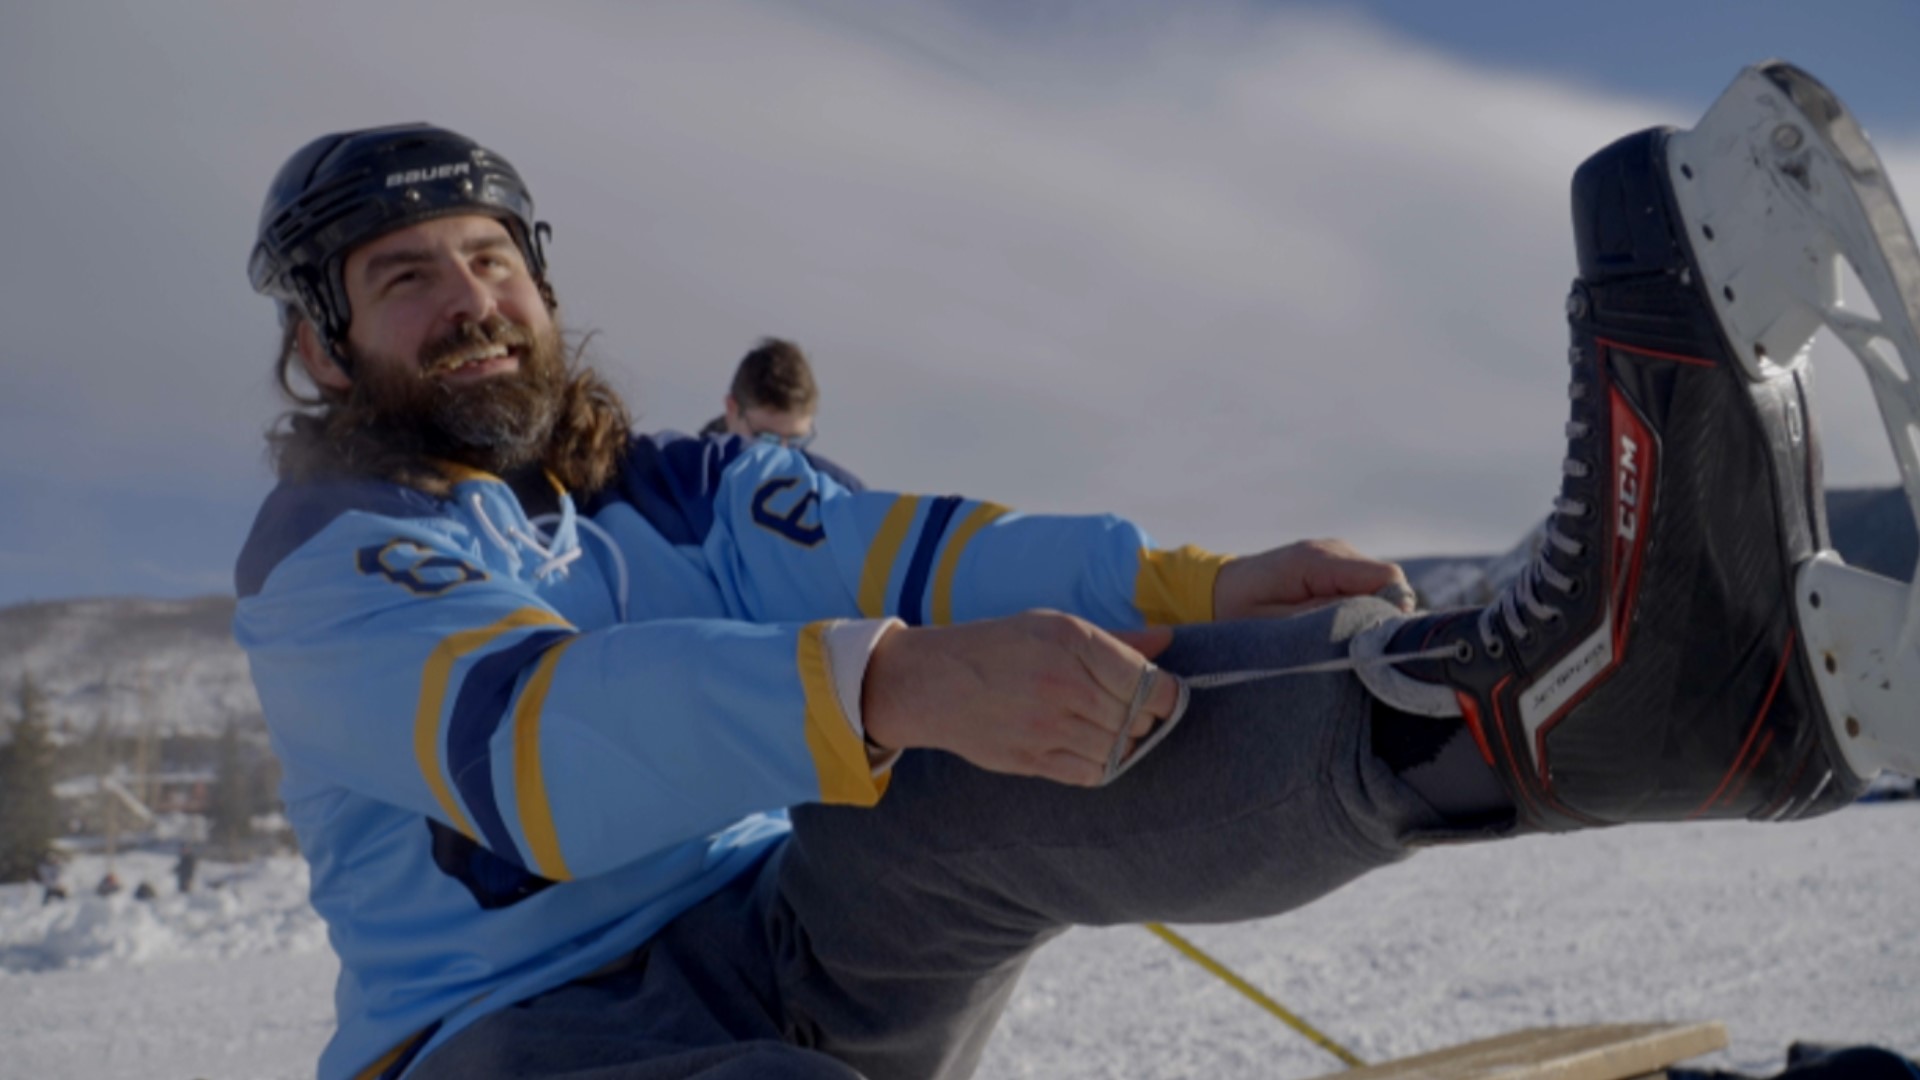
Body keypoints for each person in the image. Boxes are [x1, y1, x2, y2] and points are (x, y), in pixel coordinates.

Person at [234, 114, 1874, 1080]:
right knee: (914, 719)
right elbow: (534, 748)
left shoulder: (677, 485)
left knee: (996, 745)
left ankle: (1592, 704)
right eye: (406, 278)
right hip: (509, 1039)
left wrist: (1195, 583)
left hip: (792, 944)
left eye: (491, 259)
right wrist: (893, 684)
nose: (470, 301)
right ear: (325, 346)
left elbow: (910, 554)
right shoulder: (329, 558)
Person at [699, 337, 863, 491]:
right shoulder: (687, 486)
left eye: (795, 441)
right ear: (732, 409)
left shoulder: (841, 495)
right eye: (766, 438)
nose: (782, 456)